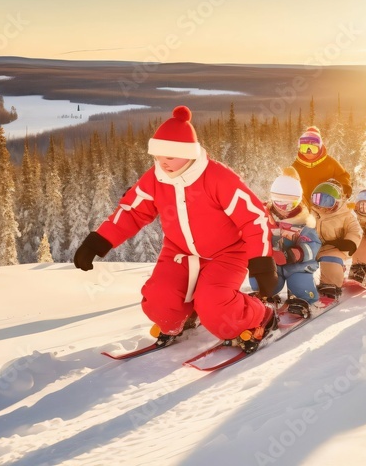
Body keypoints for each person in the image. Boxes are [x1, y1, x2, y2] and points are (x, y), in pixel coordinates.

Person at [72, 106, 278, 353]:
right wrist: (97, 242)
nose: (163, 163)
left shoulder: (217, 178)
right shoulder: (155, 178)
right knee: (159, 302)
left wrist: (262, 262)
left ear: (187, 153)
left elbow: (253, 218)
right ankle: (184, 317)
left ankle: (260, 315)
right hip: (179, 251)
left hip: (227, 253)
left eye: (169, 156)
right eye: (158, 157)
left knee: (215, 307)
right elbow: (132, 211)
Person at [249, 167, 322, 317]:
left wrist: (297, 253)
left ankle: (305, 299)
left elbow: (313, 244)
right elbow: (253, 235)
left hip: (297, 266)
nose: (283, 209)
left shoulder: (304, 220)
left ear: (298, 201)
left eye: (290, 204)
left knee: (300, 286)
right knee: (260, 283)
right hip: (272, 265)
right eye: (279, 202)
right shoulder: (263, 216)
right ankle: (265, 295)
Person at [311, 180, 362, 300]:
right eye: (318, 200)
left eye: (327, 202)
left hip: (334, 247)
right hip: (311, 246)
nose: (322, 206)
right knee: (300, 266)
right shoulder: (311, 212)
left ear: (337, 202)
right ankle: (302, 290)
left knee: (331, 261)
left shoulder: (345, 215)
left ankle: (330, 285)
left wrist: (350, 242)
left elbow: (355, 230)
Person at [292, 126, 352, 207]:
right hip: (303, 209)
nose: (308, 152)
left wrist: (341, 189)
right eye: (304, 148)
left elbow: (343, 176)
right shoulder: (296, 166)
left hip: (325, 206)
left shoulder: (330, 163)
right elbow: (288, 184)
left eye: (313, 148)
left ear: (319, 147)